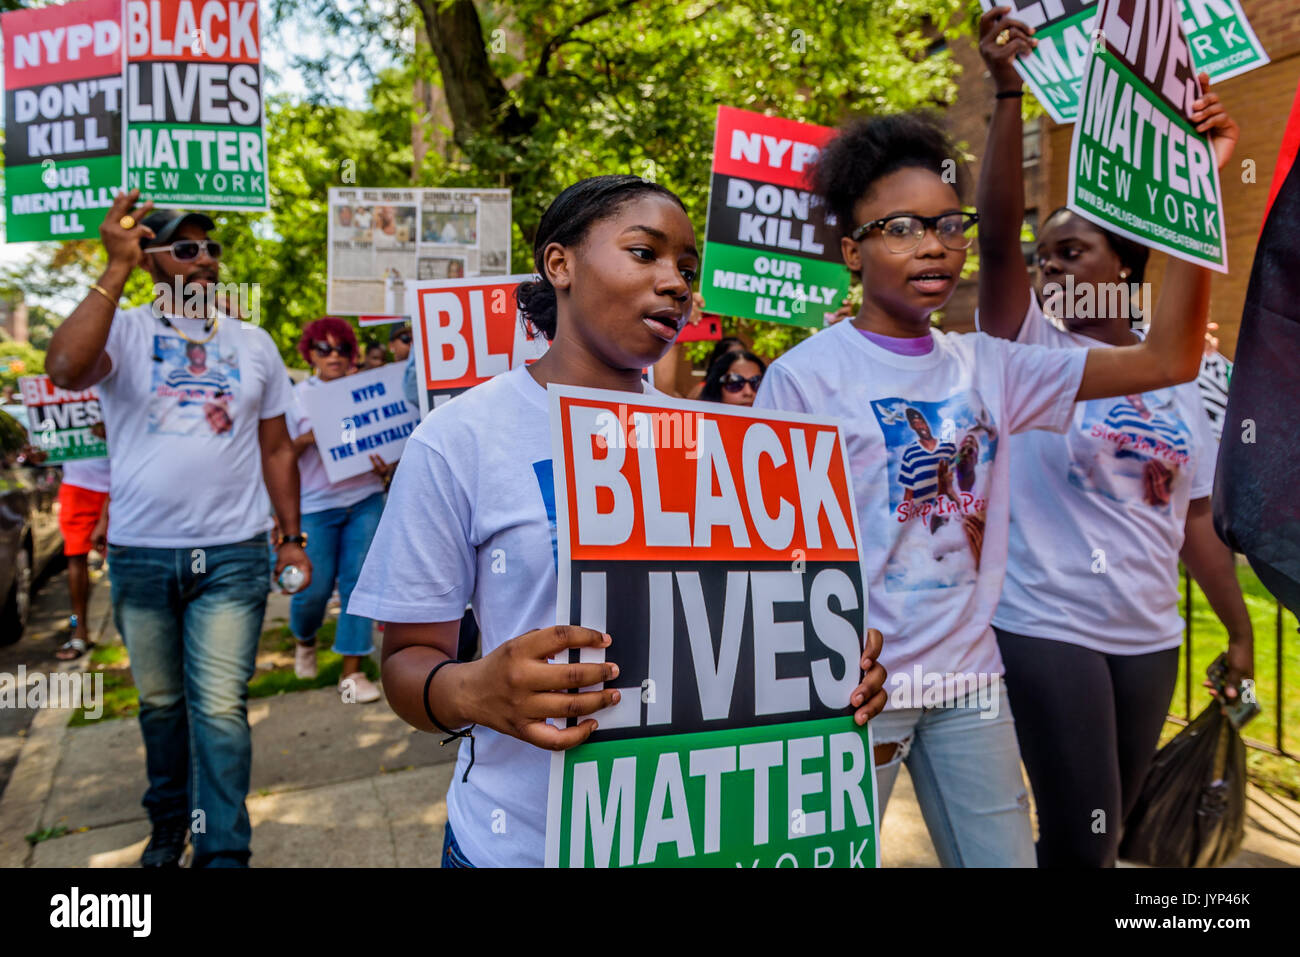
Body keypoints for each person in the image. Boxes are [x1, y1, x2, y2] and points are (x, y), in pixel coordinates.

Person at [347, 174, 889, 867]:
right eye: (645, 253)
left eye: (688, 270)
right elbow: (405, 664)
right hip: (519, 848)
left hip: (708, 841)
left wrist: (829, 667)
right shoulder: (460, 440)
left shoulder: (732, 444)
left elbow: (746, 637)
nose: (676, 284)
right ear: (559, 262)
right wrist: (474, 689)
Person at [752, 103, 1220, 867]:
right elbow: (775, 554)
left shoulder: (992, 365)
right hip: (850, 695)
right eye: (899, 228)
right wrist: (817, 662)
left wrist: (1194, 185)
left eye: (948, 224)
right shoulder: (804, 379)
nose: (933, 245)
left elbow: (1169, 358)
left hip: (970, 684)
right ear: (851, 251)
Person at [973, 6, 1253, 867]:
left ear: (1126, 268)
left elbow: (1197, 521)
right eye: (1043, 254)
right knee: (1084, 840)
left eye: (1069, 253)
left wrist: (1238, 630)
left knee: (1107, 835)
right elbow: (993, 243)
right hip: (1044, 621)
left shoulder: (1182, 376)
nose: (1047, 267)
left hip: (1150, 636)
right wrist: (1009, 93)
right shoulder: (1029, 349)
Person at [43, 192, 312, 869]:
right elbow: (65, 368)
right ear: (150, 258)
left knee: (219, 707)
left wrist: (291, 536)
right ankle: (169, 824)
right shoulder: (124, 331)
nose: (205, 260)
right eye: (185, 248)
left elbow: (278, 448)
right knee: (162, 706)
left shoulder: (253, 344)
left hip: (233, 554)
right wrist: (113, 269)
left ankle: (224, 849)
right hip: (141, 558)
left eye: (212, 249)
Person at [288, 318, 393, 703]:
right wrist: (312, 435)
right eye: (324, 349)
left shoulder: (370, 391)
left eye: (342, 349)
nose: (334, 357)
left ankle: (352, 675)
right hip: (315, 505)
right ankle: (304, 637)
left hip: (364, 498)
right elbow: (280, 453)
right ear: (310, 354)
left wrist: (388, 465)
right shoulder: (296, 397)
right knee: (311, 590)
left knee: (358, 588)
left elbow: (388, 436)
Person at [54, 446, 111, 660]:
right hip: (76, 487)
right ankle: (79, 630)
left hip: (118, 482)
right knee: (75, 559)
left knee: (123, 557)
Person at [697, 349, 765, 407]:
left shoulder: (775, 419)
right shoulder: (693, 419)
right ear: (716, 388)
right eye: (735, 383)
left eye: (757, 383)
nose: (748, 392)